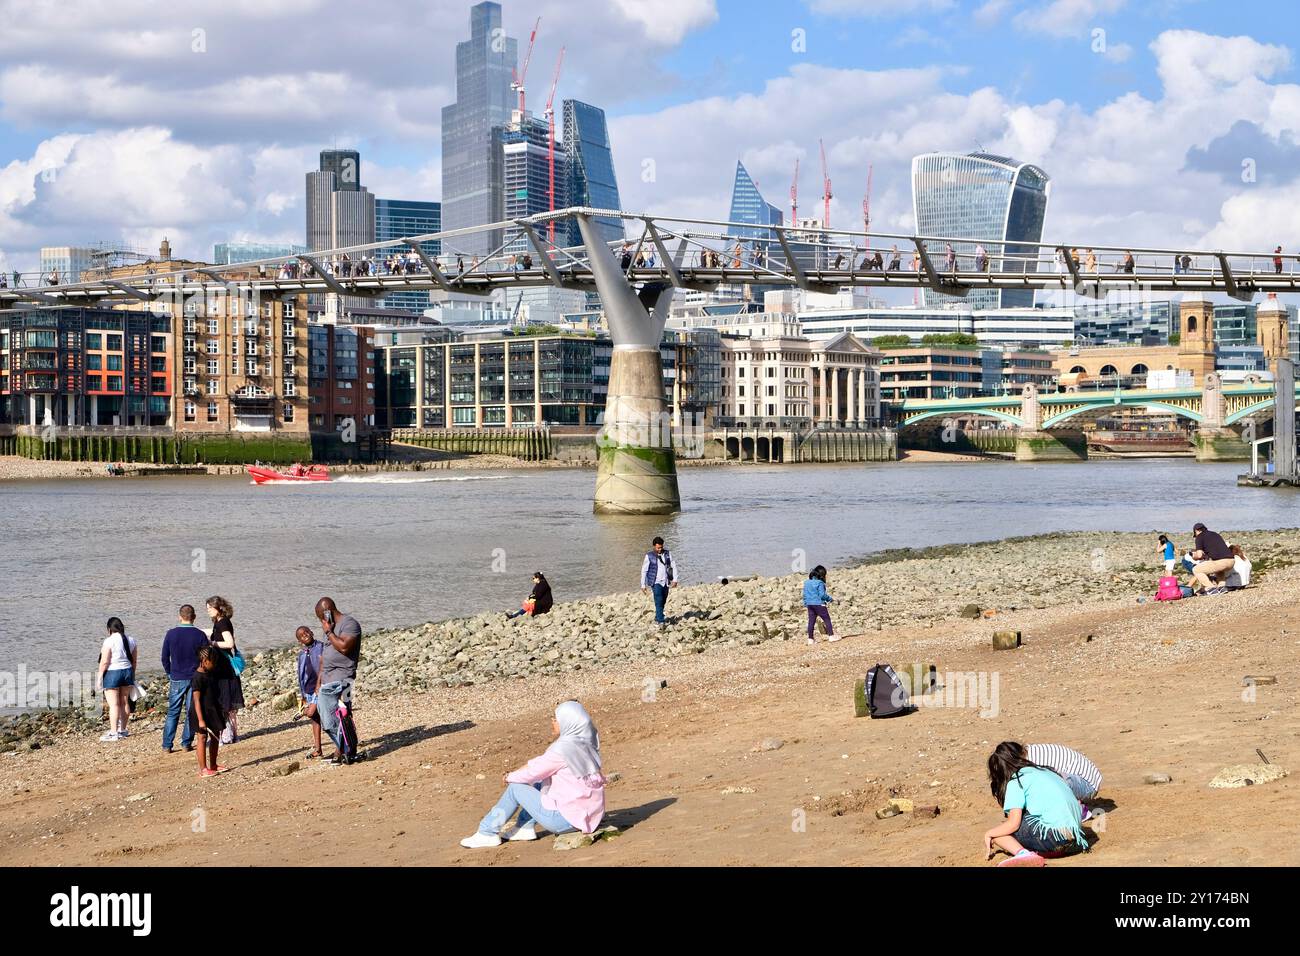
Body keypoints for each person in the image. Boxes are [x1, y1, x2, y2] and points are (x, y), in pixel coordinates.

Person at [460, 700, 606, 848]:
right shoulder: (587, 743)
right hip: (589, 817)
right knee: (541, 782)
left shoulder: (562, 750)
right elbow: (540, 764)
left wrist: (509, 777)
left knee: (515, 788)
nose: (552, 722)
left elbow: (533, 772)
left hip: (565, 821)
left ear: (567, 722)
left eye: (556, 719)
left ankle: (487, 832)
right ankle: (524, 827)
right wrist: (515, 773)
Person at [984, 741, 1089, 867]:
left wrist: (989, 834)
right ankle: (1048, 852)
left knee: (1000, 834)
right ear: (1023, 754)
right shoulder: (1045, 770)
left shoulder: (1016, 780)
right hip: (1076, 837)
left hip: (1055, 838)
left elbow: (1014, 824)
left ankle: (1023, 854)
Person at [314, 597, 362, 764]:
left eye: (321, 616)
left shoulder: (350, 624)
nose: (321, 621)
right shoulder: (331, 628)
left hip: (344, 677)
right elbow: (325, 658)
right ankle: (343, 750)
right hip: (328, 678)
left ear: (327, 612)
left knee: (330, 719)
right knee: (341, 714)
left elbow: (343, 646)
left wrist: (328, 631)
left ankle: (347, 748)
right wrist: (318, 682)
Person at [160, 604, 208, 753]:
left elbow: (164, 657)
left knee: (173, 711)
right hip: (195, 677)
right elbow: (206, 658)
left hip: (177, 677)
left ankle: (167, 745)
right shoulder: (200, 635)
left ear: (179, 617)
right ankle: (186, 743)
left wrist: (169, 672)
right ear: (194, 617)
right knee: (191, 711)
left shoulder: (171, 634)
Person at [1003, 741, 1102, 806]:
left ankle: (1078, 809)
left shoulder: (1031, 762)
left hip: (1088, 785)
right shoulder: (1029, 752)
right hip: (1082, 781)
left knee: (1049, 783)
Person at [205, 596, 244, 744]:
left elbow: (229, 643)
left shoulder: (222, 624)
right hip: (226, 668)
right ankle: (233, 735)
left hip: (224, 669)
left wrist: (212, 642)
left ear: (219, 608)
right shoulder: (221, 622)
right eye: (207, 608)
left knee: (224, 702)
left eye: (210, 608)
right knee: (229, 704)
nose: (208, 611)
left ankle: (225, 736)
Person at [97, 617, 137, 741]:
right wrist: (132, 674)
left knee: (114, 704)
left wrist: (99, 678)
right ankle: (123, 730)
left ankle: (114, 733)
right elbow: (134, 661)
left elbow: (104, 662)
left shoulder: (108, 641)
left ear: (109, 629)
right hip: (127, 671)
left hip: (112, 673)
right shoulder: (131, 640)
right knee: (124, 702)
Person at [190, 646, 228, 777]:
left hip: (213, 709)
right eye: (213, 661)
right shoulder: (197, 677)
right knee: (202, 737)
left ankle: (213, 764)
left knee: (215, 736)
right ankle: (203, 769)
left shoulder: (211, 673)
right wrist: (201, 720)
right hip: (200, 711)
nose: (215, 664)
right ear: (205, 661)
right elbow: (196, 700)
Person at [295, 626, 325, 759]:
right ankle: (318, 749)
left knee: (311, 713)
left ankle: (340, 746)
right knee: (315, 719)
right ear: (299, 640)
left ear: (312, 632)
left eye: (306, 632)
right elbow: (301, 674)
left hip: (320, 688)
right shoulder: (302, 654)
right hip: (308, 690)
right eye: (301, 635)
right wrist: (302, 694)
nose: (305, 635)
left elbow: (325, 667)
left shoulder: (321, 647)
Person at [640, 536, 678, 627]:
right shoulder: (649, 556)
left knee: (663, 600)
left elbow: (673, 566)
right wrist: (643, 584)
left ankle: (657, 617)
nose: (660, 549)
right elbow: (644, 570)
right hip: (655, 582)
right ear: (654, 546)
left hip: (666, 581)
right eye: (658, 548)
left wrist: (675, 579)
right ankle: (661, 621)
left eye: (661, 547)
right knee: (658, 599)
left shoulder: (668, 554)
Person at [1189, 522, 1235, 594]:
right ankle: (1222, 587)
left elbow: (1199, 555)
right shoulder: (1215, 534)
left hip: (1221, 562)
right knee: (1218, 569)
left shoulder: (1199, 537)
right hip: (1231, 561)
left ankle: (1211, 588)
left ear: (1197, 531)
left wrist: (1194, 556)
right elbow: (1216, 550)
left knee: (1196, 570)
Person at [802, 565, 838, 645]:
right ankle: (831, 636)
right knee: (826, 619)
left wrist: (805, 603)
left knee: (811, 622)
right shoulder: (820, 583)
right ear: (822, 575)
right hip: (819, 604)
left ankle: (810, 639)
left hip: (810, 604)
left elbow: (804, 594)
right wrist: (830, 599)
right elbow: (822, 595)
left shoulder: (807, 582)